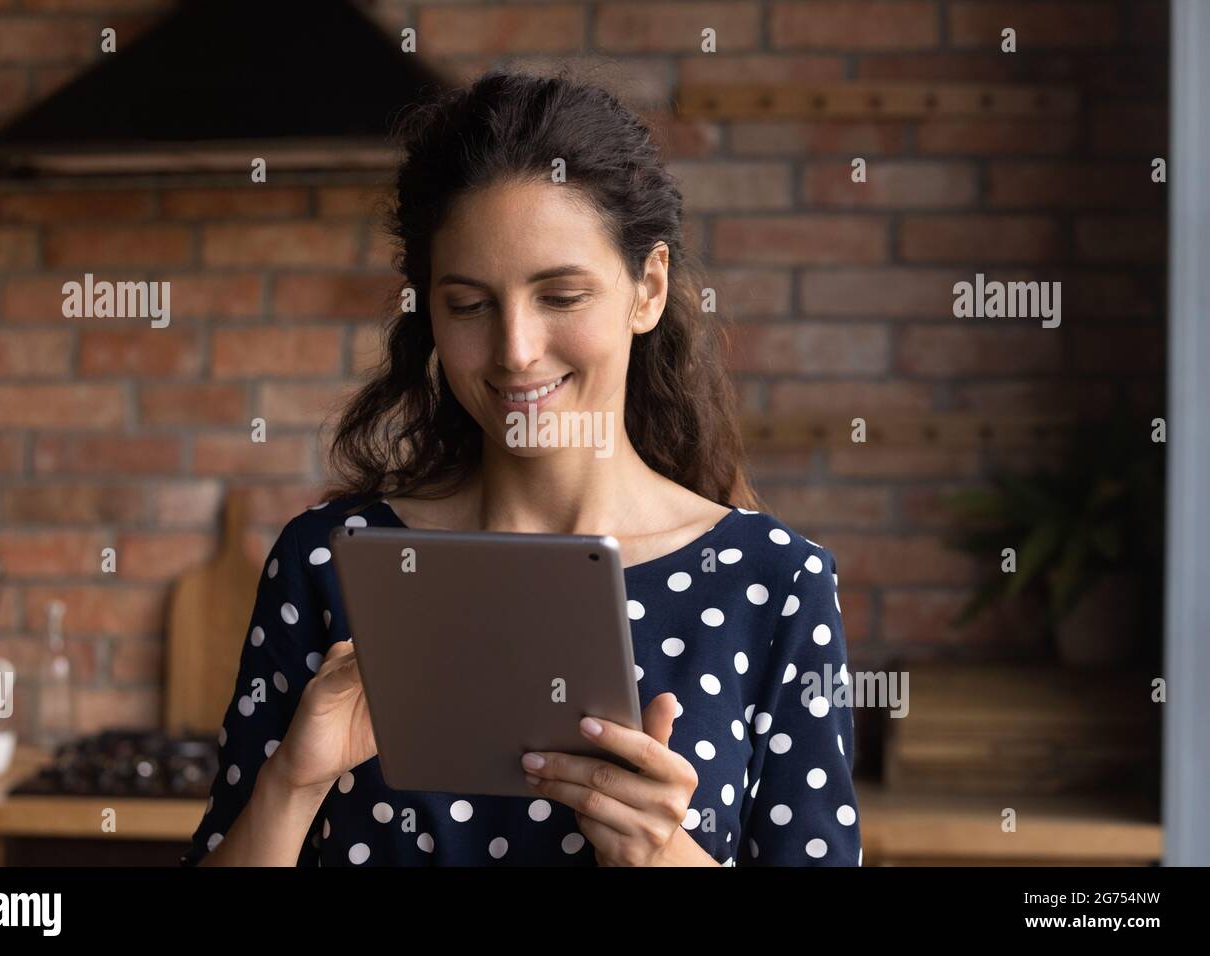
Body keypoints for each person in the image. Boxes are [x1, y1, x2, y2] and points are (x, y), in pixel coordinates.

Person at [181, 67, 860, 867]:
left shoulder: (774, 583)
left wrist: (660, 853)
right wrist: (293, 783)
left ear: (648, 287)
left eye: (561, 296)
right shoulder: (328, 561)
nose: (514, 351)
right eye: (469, 305)